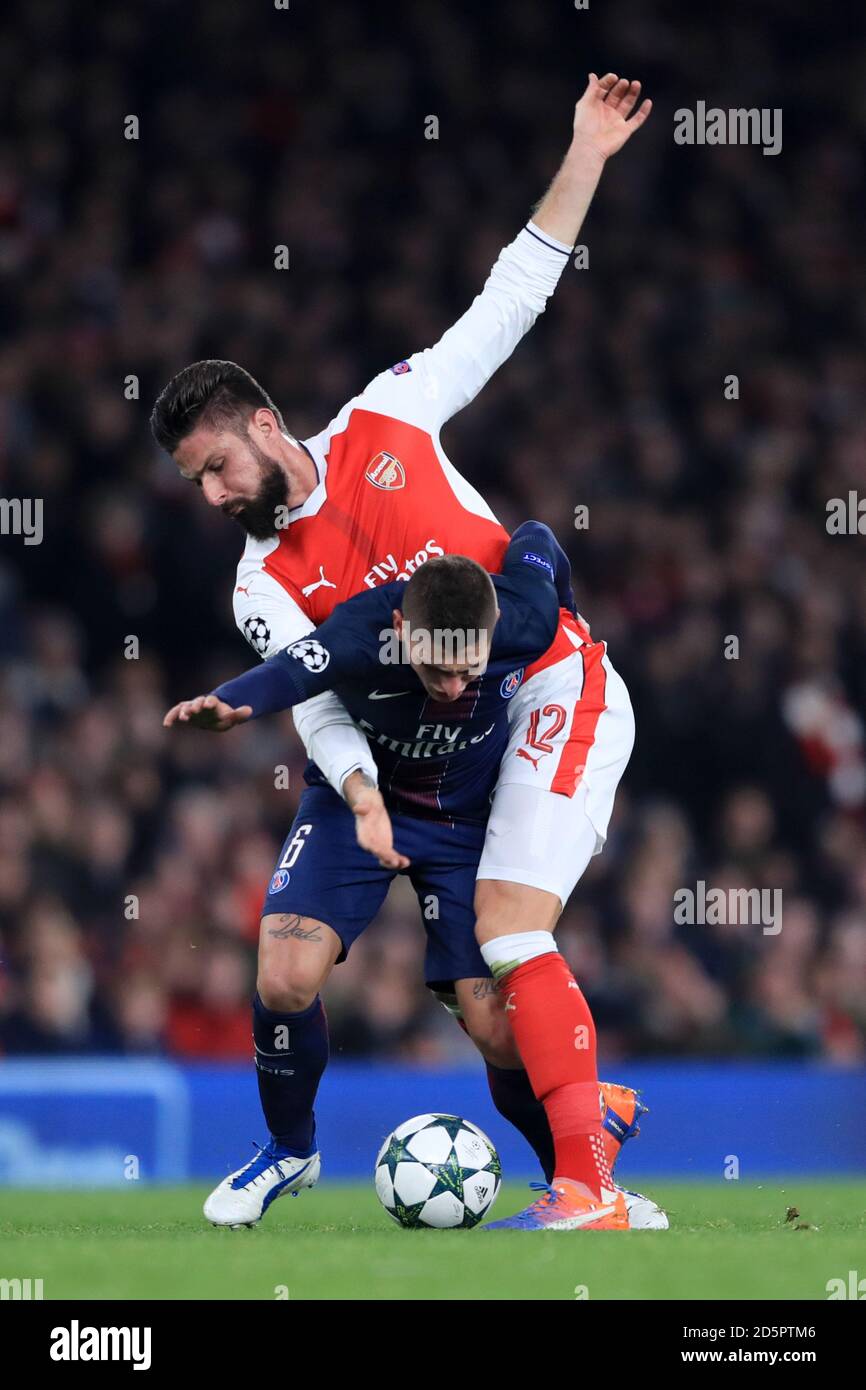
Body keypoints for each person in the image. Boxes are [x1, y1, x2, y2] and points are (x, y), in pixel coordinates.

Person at [153, 75, 666, 1231]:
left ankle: (581, 1173)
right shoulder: (258, 582)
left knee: (491, 1010)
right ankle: (288, 1150)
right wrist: (356, 795)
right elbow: (317, 695)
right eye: (194, 483)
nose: (212, 493)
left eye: (217, 466)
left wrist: (583, 150)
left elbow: (512, 296)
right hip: (374, 771)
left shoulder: (394, 412)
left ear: (265, 424)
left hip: (487, 747)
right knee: (283, 964)